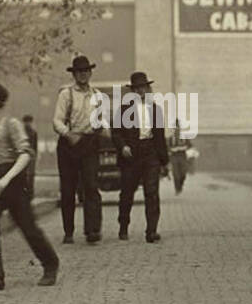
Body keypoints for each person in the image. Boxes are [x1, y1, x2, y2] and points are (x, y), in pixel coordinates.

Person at [0, 81, 59, 293]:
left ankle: (50, 264)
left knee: (28, 227)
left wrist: (6, 179)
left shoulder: (11, 124)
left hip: (13, 179)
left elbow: (25, 155)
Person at [52, 54, 108, 244]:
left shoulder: (98, 96)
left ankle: (92, 230)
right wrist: (68, 134)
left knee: (91, 186)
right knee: (68, 190)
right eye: (79, 72)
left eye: (86, 71)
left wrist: (104, 130)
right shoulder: (66, 94)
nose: (83, 75)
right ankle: (68, 231)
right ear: (74, 75)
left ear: (90, 73)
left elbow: (101, 120)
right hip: (68, 144)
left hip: (89, 143)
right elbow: (57, 121)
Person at [113, 71, 169, 242]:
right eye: (136, 88)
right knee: (127, 193)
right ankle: (123, 226)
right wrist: (123, 147)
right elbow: (116, 133)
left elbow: (160, 137)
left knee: (151, 192)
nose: (140, 91)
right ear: (132, 91)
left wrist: (164, 161)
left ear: (148, 88)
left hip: (150, 152)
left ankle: (151, 231)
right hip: (131, 154)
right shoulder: (124, 110)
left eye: (143, 87)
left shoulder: (155, 110)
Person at [21, 114, 39, 196]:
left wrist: (34, 155)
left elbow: (35, 146)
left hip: (31, 156)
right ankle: (24, 193)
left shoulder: (34, 133)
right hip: (23, 155)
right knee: (23, 174)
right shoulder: (21, 132)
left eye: (29, 122)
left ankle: (30, 192)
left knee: (30, 174)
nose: (28, 124)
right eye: (26, 122)